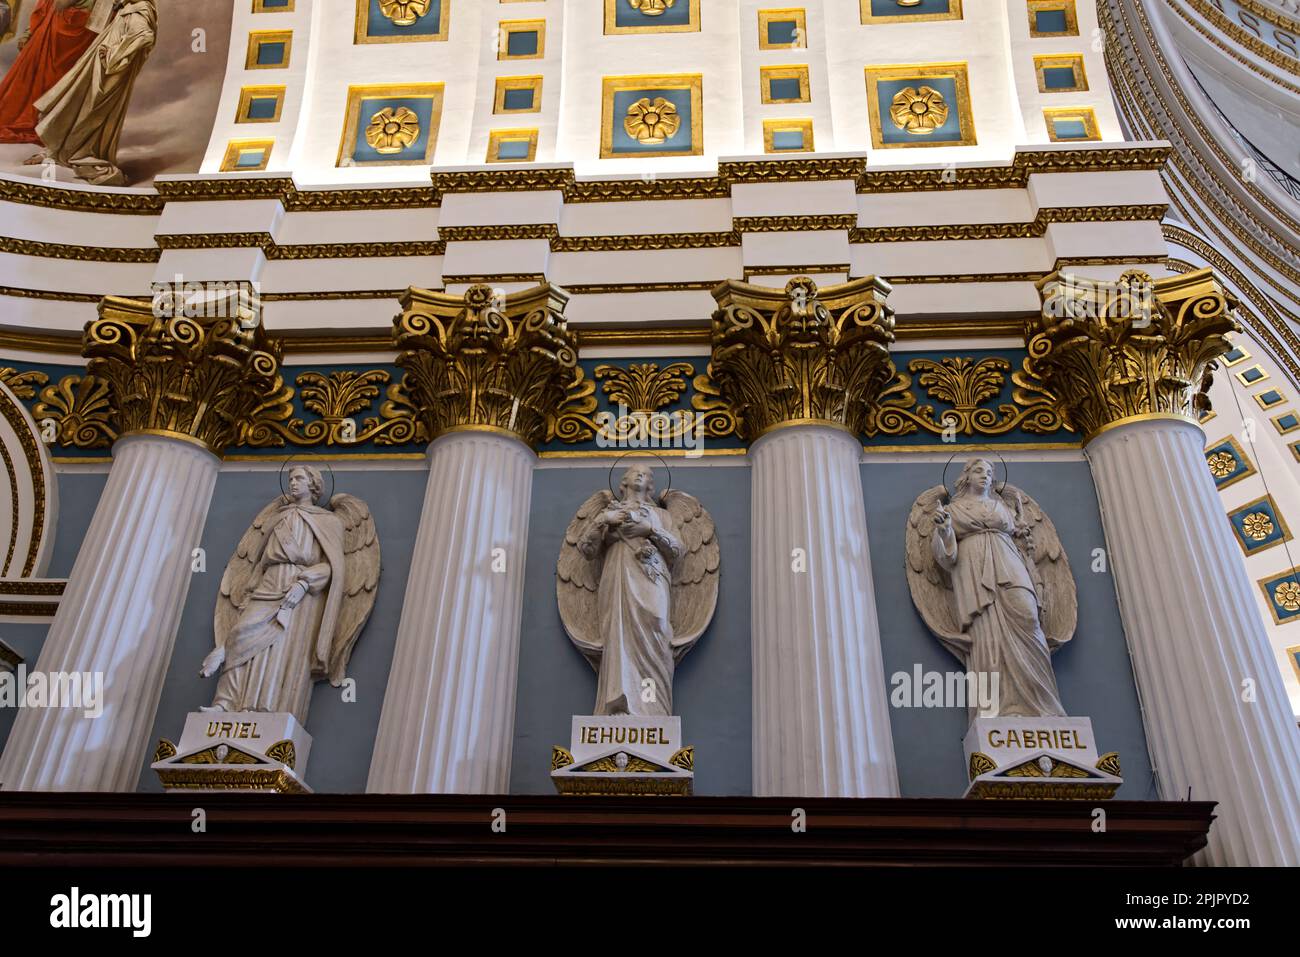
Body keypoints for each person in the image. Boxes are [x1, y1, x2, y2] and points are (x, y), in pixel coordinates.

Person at [200, 466, 347, 728]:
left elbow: (332, 567)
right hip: (269, 581)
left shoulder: (328, 522)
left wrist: (304, 584)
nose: (293, 483)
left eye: (299, 478)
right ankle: (224, 704)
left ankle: (264, 709)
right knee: (240, 634)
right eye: (291, 479)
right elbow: (259, 562)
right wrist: (252, 587)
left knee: (280, 650)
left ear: (313, 485)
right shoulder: (277, 518)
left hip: (301, 592)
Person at [931, 458, 1066, 718]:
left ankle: (1044, 704)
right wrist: (945, 530)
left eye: (990, 472)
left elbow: (1021, 537)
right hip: (973, 568)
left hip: (1008, 561)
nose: (985, 476)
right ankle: (998, 708)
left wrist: (1023, 536)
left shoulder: (1002, 506)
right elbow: (945, 557)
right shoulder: (953, 510)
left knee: (1028, 618)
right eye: (979, 471)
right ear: (966, 476)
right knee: (988, 634)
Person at [578, 464, 685, 716]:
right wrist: (602, 520)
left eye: (647, 474)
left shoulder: (662, 515)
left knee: (657, 627)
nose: (641, 475)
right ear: (623, 482)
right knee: (619, 632)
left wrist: (649, 530)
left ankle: (653, 709)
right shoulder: (608, 512)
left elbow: (678, 550)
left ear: (651, 485)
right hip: (618, 575)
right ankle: (617, 704)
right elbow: (586, 550)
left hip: (651, 576)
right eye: (635, 472)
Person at [30, 0, 155, 185]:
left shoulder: (139, 10)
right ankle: (60, 150)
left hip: (110, 72)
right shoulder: (128, 8)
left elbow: (145, 35)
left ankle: (80, 153)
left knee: (92, 112)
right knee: (78, 105)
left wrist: (113, 55)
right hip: (101, 69)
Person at [0, 0, 95, 144]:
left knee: (59, 84)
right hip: (50, 28)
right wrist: (29, 33)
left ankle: (52, 126)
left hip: (75, 34)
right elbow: (45, 6)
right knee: (28, 80)